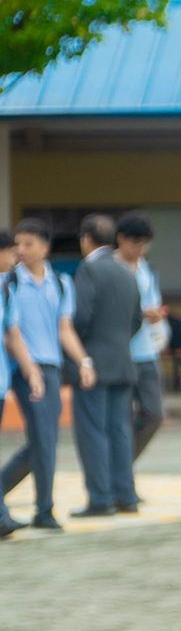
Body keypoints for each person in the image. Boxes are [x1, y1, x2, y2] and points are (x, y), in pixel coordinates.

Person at [0, 219, 89, 533]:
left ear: (44, 247)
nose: (21, 251)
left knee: (45, 440)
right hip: (23, 369)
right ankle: (44, 509)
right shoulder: (9, 282)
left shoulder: (61, 283)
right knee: (43, 437)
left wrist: (84, 361)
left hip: (51, 368)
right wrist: (29, 368)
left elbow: (65, 330)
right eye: (17, 245)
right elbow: (12, 333)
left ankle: (28, 503)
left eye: (28, 244)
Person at [69, 213, 144, 518]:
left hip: (93, 364)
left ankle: (100, 498)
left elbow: (80, 317)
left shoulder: (88, 270)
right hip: (123, 361)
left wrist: (82, 352)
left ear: (86, 239)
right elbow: (137, 319)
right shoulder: (127, 271)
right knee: (119, 431)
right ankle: (125, 494)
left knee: (93, 432)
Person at [114, 215, 170, 461]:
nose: (140, 249)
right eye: (136, 243)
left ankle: (122, 463)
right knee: (121, 418)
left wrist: (155, 316)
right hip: (121, 353)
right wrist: (138, 314)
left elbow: (153, 302)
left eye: (145, 244)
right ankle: (121, 475)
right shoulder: (110, 268)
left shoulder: (146, 267)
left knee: (154, 413)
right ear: (121, 240)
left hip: (146, 351)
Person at [0, 228, 36, 538]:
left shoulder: (5, 289)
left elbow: (13, 334)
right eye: (10, 252)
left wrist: (31, 370)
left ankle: (1, 517)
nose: (15, 258)